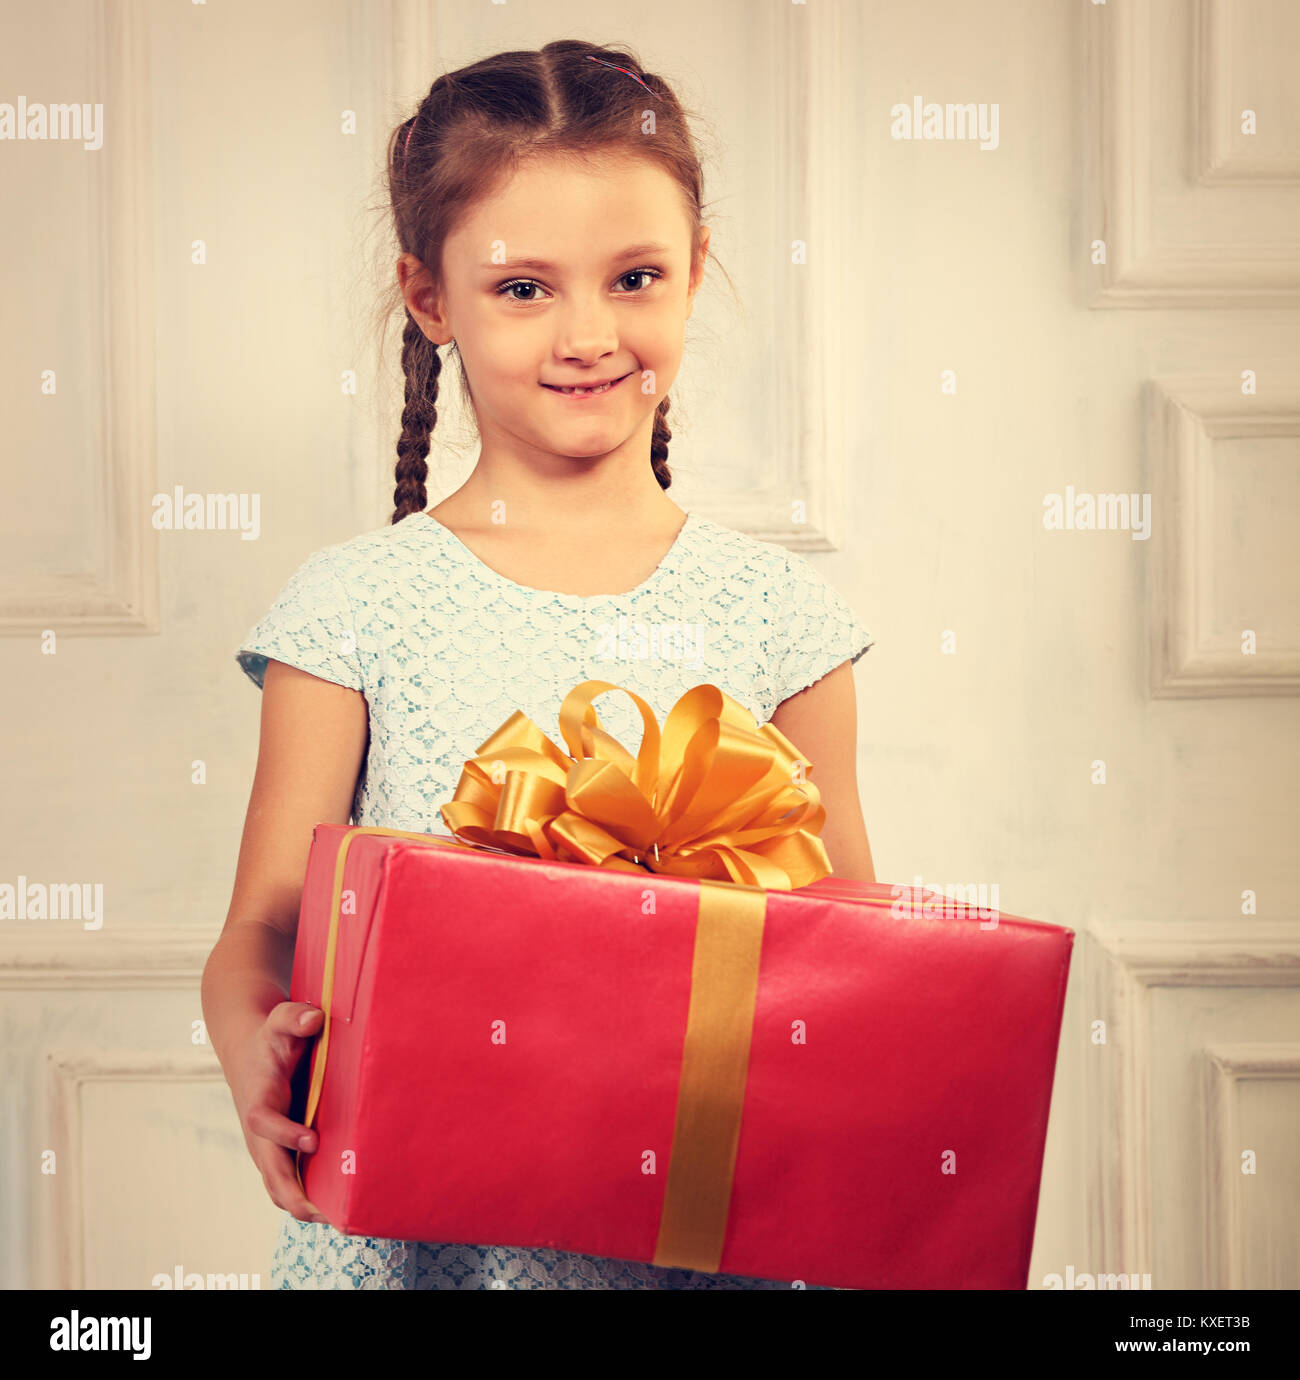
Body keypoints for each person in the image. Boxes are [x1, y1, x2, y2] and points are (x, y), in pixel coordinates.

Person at [201, 38, 876, 1290]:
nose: (587, 333)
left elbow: (843, 950)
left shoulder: (782, 615)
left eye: (634, 277)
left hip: (690, 1241)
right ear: (430, 300)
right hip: (416, 1235)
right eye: (523, 288)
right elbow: (268, 924)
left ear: (693, 275)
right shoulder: (353, 605)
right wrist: (252, 1047)